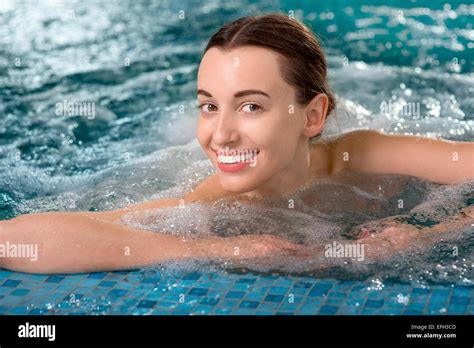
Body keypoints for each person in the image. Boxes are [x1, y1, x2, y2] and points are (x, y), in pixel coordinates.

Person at [1, 14, 472, 274]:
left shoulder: (363, 154)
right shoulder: (217, 200)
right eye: (208, 106)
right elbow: (12, 240)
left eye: (251, 106)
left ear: (312, 116)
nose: (220, 135)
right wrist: (215, 251)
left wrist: (431, 232)